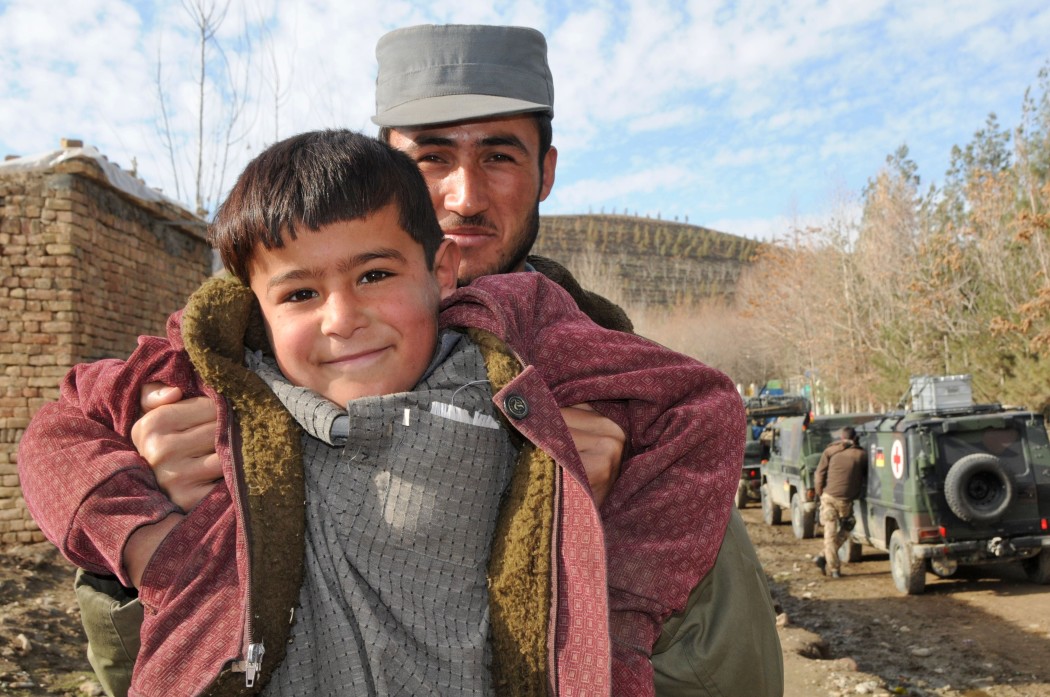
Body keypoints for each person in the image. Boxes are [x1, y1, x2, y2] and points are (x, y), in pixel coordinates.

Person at [46, 24, 784, 696]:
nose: (463, 197)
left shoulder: (632, 393)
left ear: (547, 172)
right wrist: (151, 531)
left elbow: (731, 668)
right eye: (431, 156)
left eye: (499, 155)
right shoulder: (240, 356)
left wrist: (599, 545)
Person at [814, 426, 868, 578]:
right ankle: (834, 569)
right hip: (846, 502)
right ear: (855, 438)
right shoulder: (861, 455)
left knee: (830, 536)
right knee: (846, 529)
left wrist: (820, 494)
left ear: (841, 437)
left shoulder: (830, 451)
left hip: (828, 498)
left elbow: (819, 475)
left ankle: (824, 557)